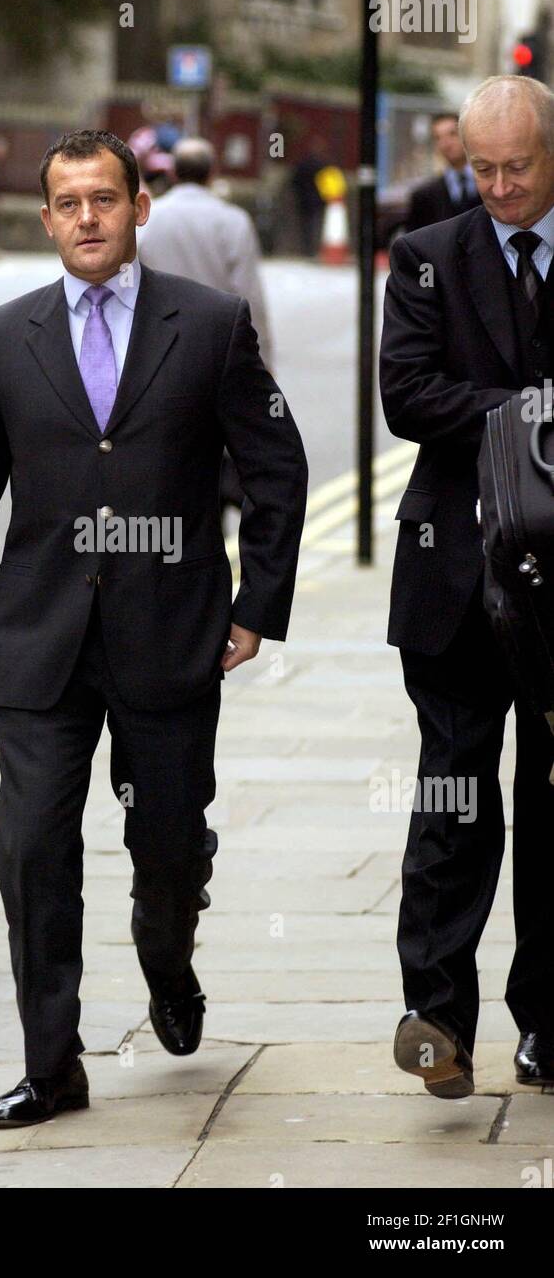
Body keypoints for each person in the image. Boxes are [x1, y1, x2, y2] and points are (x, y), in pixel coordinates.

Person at [0, 128, 308, 1127]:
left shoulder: (212, 324)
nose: (87, 218)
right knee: (32, 850)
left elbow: (278, 466)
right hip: (41, 642)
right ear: (46, 216)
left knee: (168, 843)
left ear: (141, 206)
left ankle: (168, 958)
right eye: (67, 203)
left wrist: (257, 606)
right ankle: (53, 1065)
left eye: (104, 198)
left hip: (172, 637)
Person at [379, 76, 554, 1099]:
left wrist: (499, 414)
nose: (495, 186)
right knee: (453, 783)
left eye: (517, 168)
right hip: (453, 573)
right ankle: (439, 1014)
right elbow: (407, 393)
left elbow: (447, 399)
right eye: (482, 168)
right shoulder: (428, 255)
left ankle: (549, 1022)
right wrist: (536, 416)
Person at [139, 136, 274, 523]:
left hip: (158, 356)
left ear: (172, 172)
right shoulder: (232, 221)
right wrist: (262, 365)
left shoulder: (150, 219)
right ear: (213, 172)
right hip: (218, 356)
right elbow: (250, 298)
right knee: (214, 454)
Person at [405, 112, 481, 232]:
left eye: (452, 134)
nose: (446, 143)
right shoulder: (423, 196)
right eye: (438, 138)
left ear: (467, 135)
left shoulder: (493, 185)